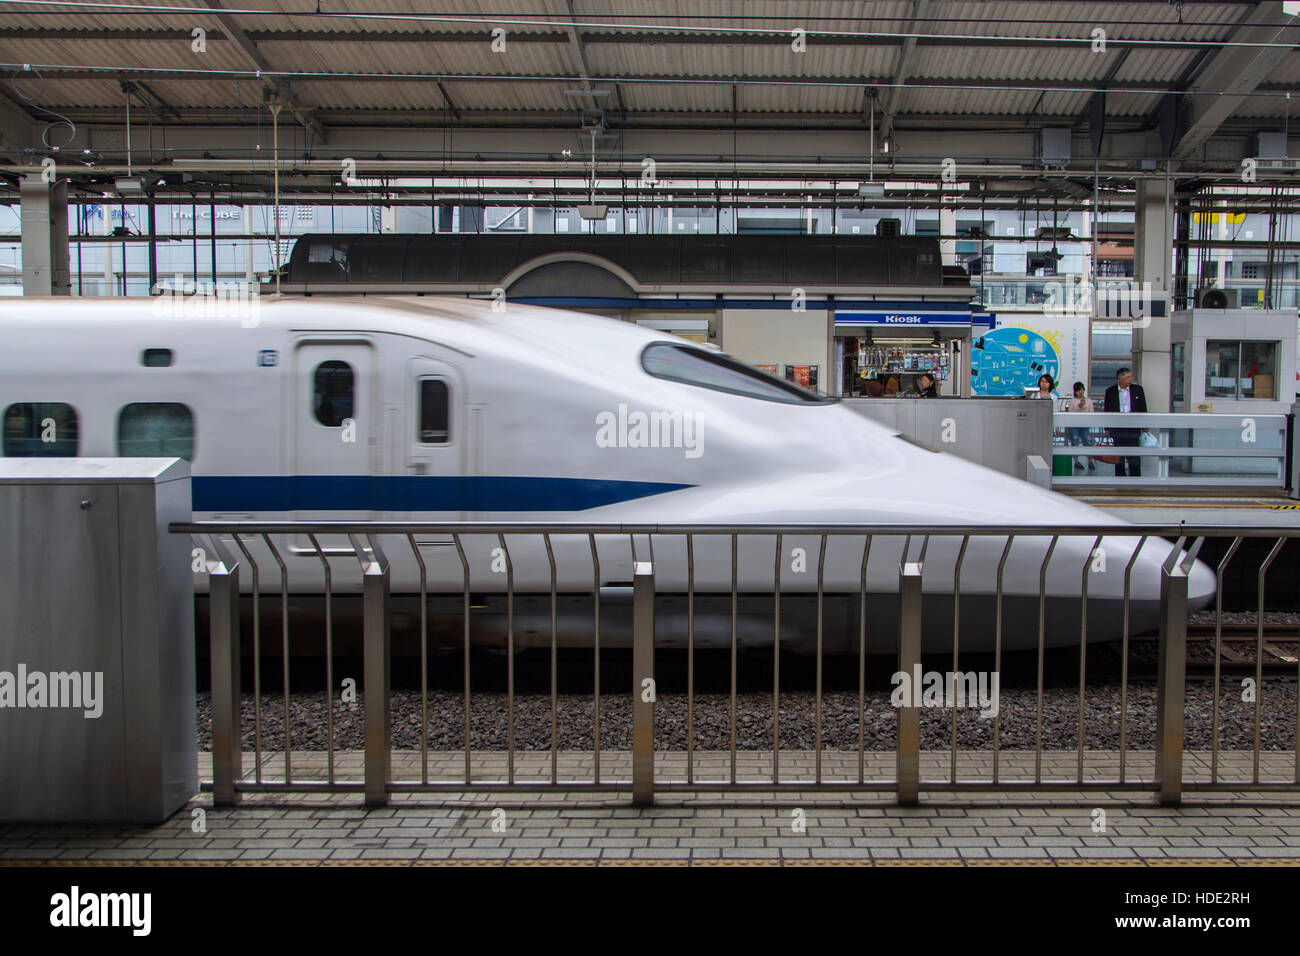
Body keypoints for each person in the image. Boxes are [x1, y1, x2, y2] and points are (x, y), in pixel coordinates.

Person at [1103, 366, 1147, 477]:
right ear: (1120, 379)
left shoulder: (1138, 390)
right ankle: (1120, 478)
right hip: (1117, 427)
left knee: (1134, 455)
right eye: (1128, 377)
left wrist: (1145, 425)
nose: (1130, 379)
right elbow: (1107, 410)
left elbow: (1143, 408)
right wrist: (1107, 428)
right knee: (1119, 455)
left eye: (1131, 377)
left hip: (1133, 427)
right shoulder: (1110, 391)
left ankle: (1135, 479)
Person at [1065, 381, 1093, 471]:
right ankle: (1076, 461)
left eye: (1081, 390)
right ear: (1075, 392)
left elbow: (1092, 413)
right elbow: (1070, 413)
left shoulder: (1088, 401)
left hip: (1085, 425)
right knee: (1075, 442)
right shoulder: (1072, 401)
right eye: (1078, 390)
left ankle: (1090, 460)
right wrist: (1079, 406)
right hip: (1074, 425)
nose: (1080, 392)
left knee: (1087, 442)